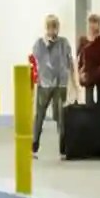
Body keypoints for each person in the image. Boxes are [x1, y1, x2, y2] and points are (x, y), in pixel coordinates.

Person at [31, 15, 76, 158]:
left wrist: (74, 82)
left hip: (60, 84)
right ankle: (34, 145)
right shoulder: (40, 43)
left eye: (55, 26)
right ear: (47, 28)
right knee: (40, 115)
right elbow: (35, 61)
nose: (53, 30)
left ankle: (63, 148)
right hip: (44, 84)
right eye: (50, 27)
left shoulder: (64, 43)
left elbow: (70, 62)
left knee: (61, 117)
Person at [77, 13, 100, 106]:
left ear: (99, 24)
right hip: (88, 75)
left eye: (95, 22)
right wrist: (80, 74)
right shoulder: (83, 41)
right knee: (89, 103)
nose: (92, 25)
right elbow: (80, 59)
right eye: (91, 22)